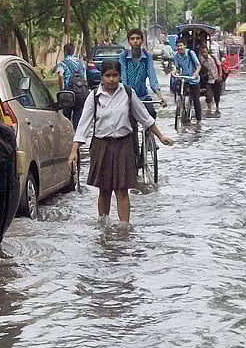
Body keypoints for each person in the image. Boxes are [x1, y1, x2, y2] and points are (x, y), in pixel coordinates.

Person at [68, 58, 172, 226]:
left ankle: (124, 228)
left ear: (120, 76)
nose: (111, 79)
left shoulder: (128, 93)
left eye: (115, 75)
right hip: (101, 146)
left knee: (122, 190)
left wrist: (161, 136)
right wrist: (74, 150)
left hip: (124, 145)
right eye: (108, 76)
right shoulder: (94, 97)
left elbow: (144, 118)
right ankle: (103, 225)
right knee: (104, 190)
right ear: (102, 77)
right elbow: (83, 126)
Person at [120, 28, 164, 113]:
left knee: (151, 113)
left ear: (142, 41)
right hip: (127, 96)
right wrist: (126, 94)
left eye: (138, 38)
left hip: (143, 96)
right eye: (132, 39)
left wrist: (160, 96)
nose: (135, 41)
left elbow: (152, 77)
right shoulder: (123, 56)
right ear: (129, 42)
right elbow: (123, 77)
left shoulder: (147, 57)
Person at [56, 43, 87, 129]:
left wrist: (62, 89)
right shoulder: (81, 63)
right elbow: (85, 78)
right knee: (78, 116)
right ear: (73, 51)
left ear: (65, 51)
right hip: (81, 94)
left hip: (68, 94)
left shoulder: (62, 64)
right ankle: (77, 132)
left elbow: (60, 75)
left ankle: (69, 133)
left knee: (67, 118)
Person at [172, 37, 202, 124]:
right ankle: (182, 111)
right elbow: (177, 68)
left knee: (196, 100)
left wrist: (196, 73)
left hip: (193, 79)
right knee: (180, 94)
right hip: (184, 79)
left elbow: (198, 65)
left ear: (184, 45)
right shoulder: (176, 55)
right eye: (178, 46)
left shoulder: (190, 53)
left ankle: (199, 120)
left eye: (181, 45)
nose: (179, 48)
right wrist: (174, 72)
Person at [199, 43, 223, 117]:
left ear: (207, 51)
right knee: (208, 96)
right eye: (202, 52)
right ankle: (209, 110)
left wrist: (220, 75)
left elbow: (219, 65)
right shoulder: (201, 60)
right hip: (209, 80)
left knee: (217, 95)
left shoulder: (213, 57)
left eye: (205, 52)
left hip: (216, 79)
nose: (204, 54)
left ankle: (217, 108)